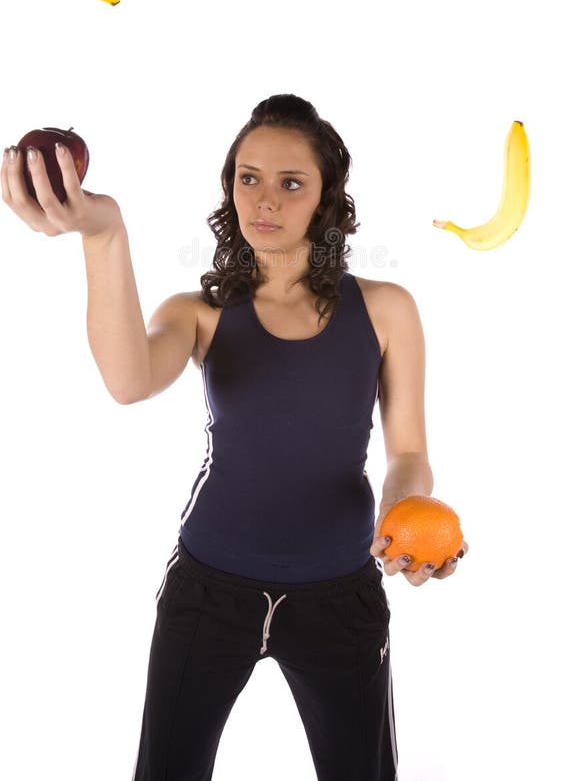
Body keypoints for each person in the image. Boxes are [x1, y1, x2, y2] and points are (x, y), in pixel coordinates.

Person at [2, 93, 467, 781]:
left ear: (326, 197)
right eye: (248, 178)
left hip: (342, 595)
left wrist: (407, 523)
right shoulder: (199, 313)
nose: (265, 201)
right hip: (206, 593)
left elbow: (407, 453)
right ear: (229, 187)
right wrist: (105, 234)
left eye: (290, 183)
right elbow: (128, 381)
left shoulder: (388, 309)